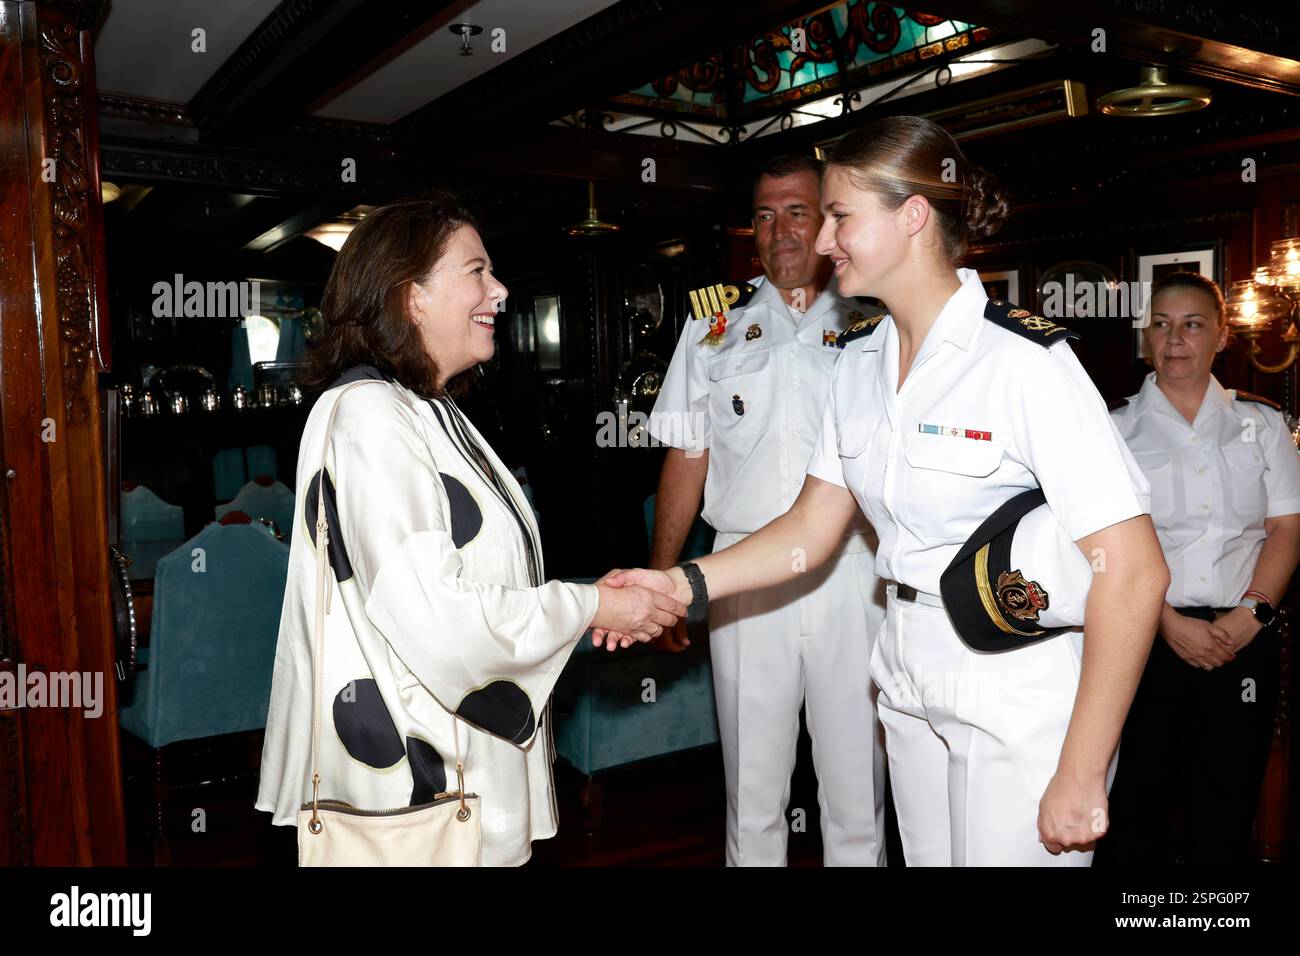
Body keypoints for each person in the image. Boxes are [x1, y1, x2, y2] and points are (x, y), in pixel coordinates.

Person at [599, 115, 1170, 865]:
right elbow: (809, 529)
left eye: (839, 216)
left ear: (912, 217)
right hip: (902, 667)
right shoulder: (862, 362)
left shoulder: (1023, 360)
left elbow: (1133, 570)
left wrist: (1083, 766)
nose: (824, 239)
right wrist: (674, 584)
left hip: (1012, 679)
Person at [256, 195, 685, 866]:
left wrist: (588, 597)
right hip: (423, 778)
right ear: (411, 296)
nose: (500, 290)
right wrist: (593, 604)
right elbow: (438, 616)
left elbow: (483, 578)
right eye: (476, 271)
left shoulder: (427, 407)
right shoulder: (372, 414)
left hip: (452, 760)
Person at [647, 155, 889, 867]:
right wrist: (666, 581)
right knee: (752, 787)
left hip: (855, 569)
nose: (778, 229)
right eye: (762, 214)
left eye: (797, 211)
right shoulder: (711, 328)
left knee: (856, 788)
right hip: (743, 571)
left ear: (829, 223)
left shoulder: (874, 321)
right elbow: (687, 458)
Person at [1105, 272, 1300, 865]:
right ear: (1145, 337)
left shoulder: (1261, 424)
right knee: (1136, 803)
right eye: (1160, 326)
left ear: (1221, 337)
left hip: (1243, 638)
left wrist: (1253, 614)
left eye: (1192, 326)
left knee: (1227, 804)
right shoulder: (1114, 428)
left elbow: (1287, 529)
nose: (1174, 340)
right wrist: (1162, 621)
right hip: (1142, 639)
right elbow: (1103, 544)